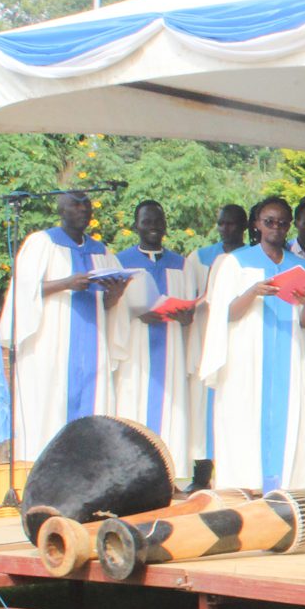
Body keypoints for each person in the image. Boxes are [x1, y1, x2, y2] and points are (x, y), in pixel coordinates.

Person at [200, 196, 305, 492]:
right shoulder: (235, 263)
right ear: (257, 224)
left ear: (289, 226)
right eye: (269, 221)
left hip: (290, 354)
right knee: (244, 420)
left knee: (289, 424)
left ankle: (286, 490)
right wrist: (253, 292)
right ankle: (243, 489)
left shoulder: (302, 267)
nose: (276, 227)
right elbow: (225, 314)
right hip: (247, 358)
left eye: (282, 223)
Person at [0, 192, 128, 460]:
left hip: (93, 346)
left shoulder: (101, 251)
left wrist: (115, 294)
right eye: (75, 204)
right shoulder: (42, 243)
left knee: (93, 410)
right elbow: (23, 291)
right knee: (50, 406)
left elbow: (107, 305)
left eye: (87, 205)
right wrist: (66, 283)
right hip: (51, 344)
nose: (83, 210)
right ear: (61, 210)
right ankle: (41, 467)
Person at [113, 200, 199, 481]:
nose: (153, 227)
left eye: (157, 221)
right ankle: (133, 475)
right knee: (133, 402)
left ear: (165, 225)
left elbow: (189, 311)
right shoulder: (121, 262)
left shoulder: (181, 265)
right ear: (136, 225)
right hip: (136, 347)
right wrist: (137, 316)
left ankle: (171, 477)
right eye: (146, 221)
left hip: (172, 345)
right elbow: (112, 308)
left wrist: (185, 317)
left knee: (172, 408)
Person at [188, 202, 247, 486]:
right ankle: (201, 474)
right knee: (203, 410)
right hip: (207, 339)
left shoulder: (249, 259)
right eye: (221, 223)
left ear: (245, 227)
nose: (225, 229)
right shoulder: (199, 258)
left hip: (240, 344)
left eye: (232, 224)